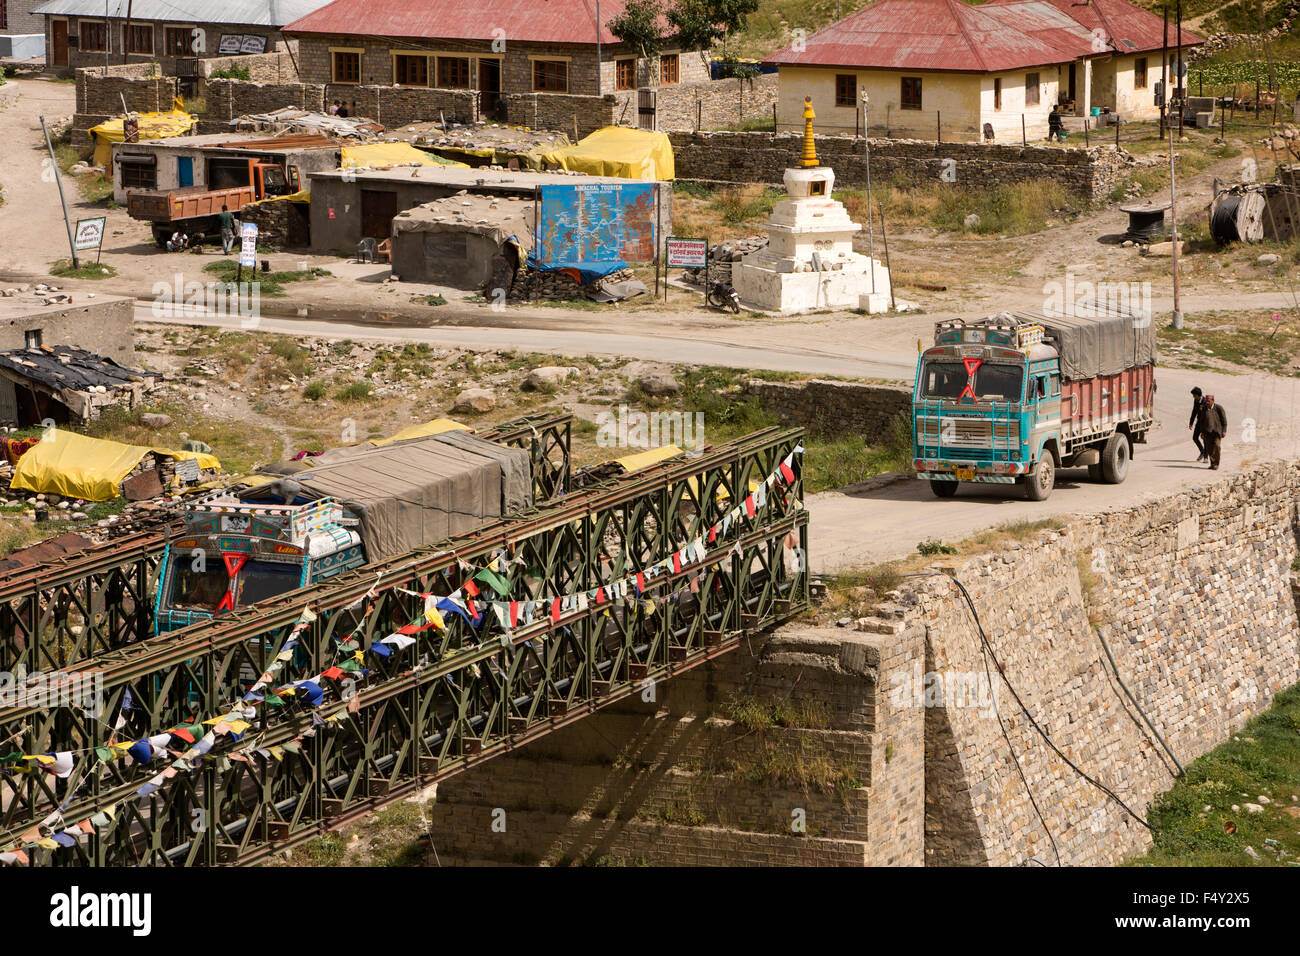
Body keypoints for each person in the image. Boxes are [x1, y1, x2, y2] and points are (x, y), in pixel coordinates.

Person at [1197, 393, 1227, 470]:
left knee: (1217, 447)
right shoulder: (1204, 409)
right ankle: (1212, 463)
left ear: (1213, 401)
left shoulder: (1219, 408)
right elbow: (1201, 421)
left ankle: (1216, 463)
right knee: (1209, 448)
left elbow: (1224, 420)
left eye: (1208, 401)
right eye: (1206, 401)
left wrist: (1224, 430)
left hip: (1217, 431)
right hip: (1207, 432)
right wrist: (1202, 432)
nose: (1207, 402)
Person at [1188, 386, 1207, 462]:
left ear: (1198, 395)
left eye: (1194, 395)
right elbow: (1194, 411)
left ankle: (1206, 457)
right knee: (1195, 437)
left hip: (1205, 423)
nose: (1193, 397)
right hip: (1199, 422)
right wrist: (1191, 422)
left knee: (1204, 439)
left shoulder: (1206, 401)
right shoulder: (1196, 401)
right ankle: (1202, 451)